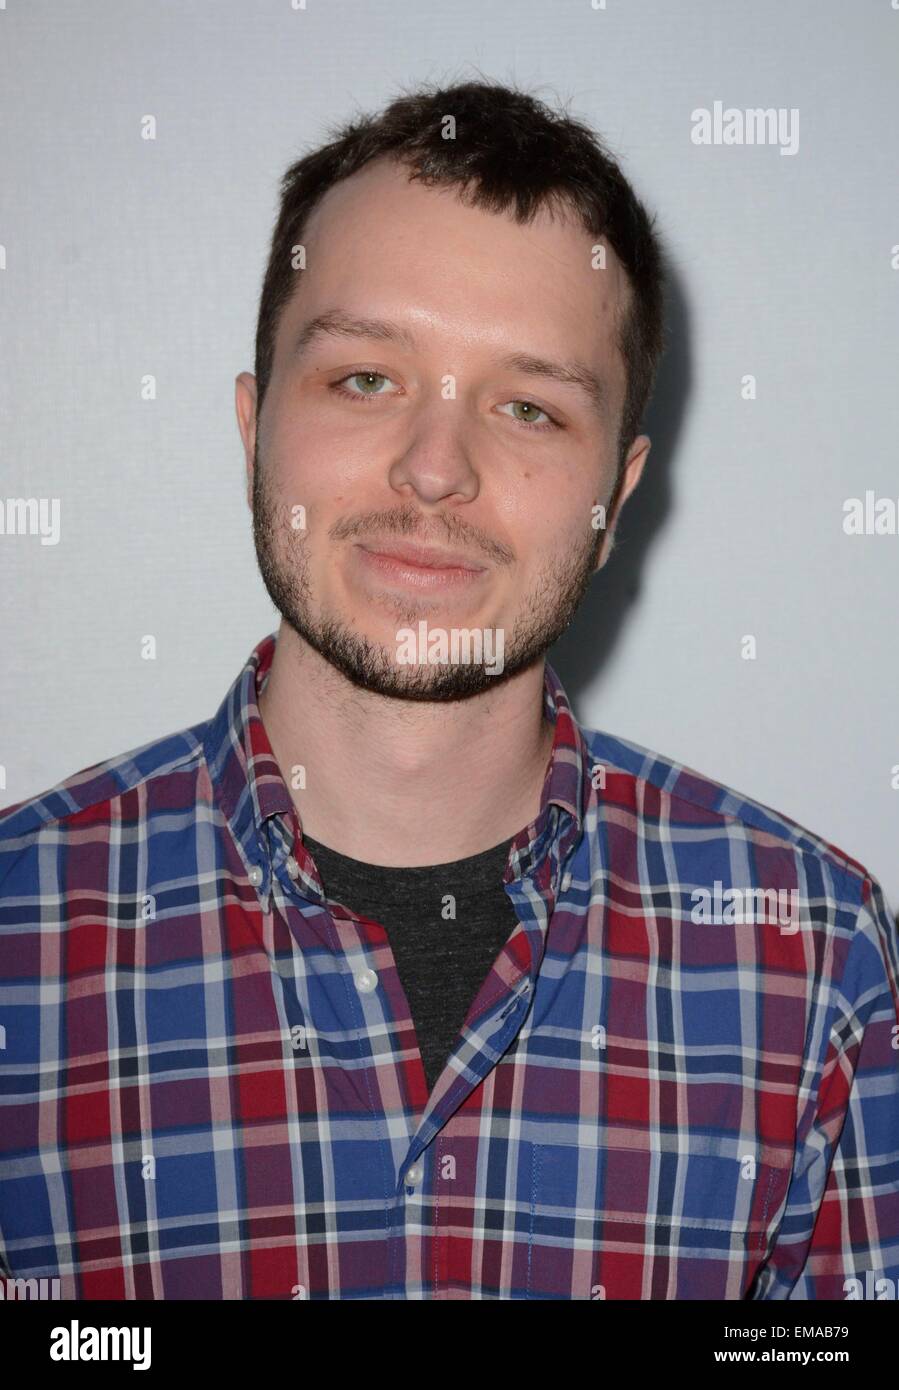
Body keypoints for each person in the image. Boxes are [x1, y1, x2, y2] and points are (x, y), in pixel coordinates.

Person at [1, 79, 896, 1302]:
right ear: (254, 421)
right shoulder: (18, 936)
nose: (435, 470)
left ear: (614, 495)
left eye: (526, 406)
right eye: (365, 378)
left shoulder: (811, 955)